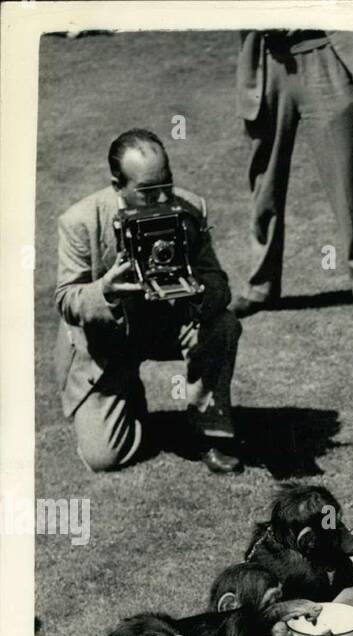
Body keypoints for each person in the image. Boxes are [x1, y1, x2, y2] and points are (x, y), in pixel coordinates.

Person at [54, 129, 241, 474]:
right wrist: (104, 290)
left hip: (166, 324)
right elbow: (66, 300)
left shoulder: (189, 209)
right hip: (106, 340)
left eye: (166, 184)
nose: (160, 198)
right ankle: (126, 394)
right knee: (104, 457)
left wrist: (199, 292)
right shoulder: (79, 222)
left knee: (223, 324)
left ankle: (209, 432)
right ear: (117, 185)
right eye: (146, 191)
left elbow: (219, 284)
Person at [231, 29, 353, 341]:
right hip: (267, 61)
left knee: (351, 189)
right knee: (264, 188)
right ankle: (261, 286)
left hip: (323, 54)